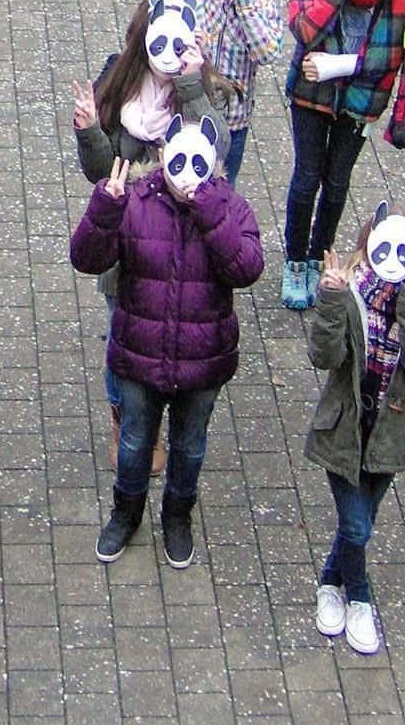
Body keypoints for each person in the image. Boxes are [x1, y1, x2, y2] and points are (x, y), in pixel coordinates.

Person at [71, 115, 264, 569]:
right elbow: (86, 258)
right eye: (178, 161)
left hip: (203, 359)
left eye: (198, 163)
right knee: (134, 442)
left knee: (190, 446)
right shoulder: (136, 201)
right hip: (140, 353)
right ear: (162, 154)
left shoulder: (231, 208)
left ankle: (178, 516)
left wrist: (210, 214)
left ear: (213, 160)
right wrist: (105, 210)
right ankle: (126, 513)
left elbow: (246, 268)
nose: (186, 175)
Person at [71, 0, 231, 475]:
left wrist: (191, 84)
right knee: (124, 332)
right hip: (130, 238)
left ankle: (160, 417)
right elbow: (101, 171)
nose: (169, 56)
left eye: (179, 45)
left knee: (176, 332)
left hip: (186, 241)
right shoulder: (119, 80)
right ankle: (125, 417)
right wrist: (90, 131)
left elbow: (219, 145)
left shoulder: (202, 89)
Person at [304, 203, 405, 654]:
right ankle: (360, 599)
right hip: (344, 429)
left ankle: (329, 582)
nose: (391, 260)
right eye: (382, 249)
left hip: (390, 434)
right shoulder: (350, 290)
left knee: (362, 522)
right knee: (357, 528)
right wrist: (330, 303)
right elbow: (325, 357)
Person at [280, 0, 405, 310]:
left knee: (337, 182)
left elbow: (389, 54)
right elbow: (305, 30)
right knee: (307, 177)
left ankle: (320, 259)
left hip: (360, 100)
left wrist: (336, 65)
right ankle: (295, 262)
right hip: (311, 93)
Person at [136, 0, 286, 184]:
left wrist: (244, 5)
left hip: (231, 120)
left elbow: (268, 53)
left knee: (219, 195)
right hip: (183, 110)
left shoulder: (262, 0)